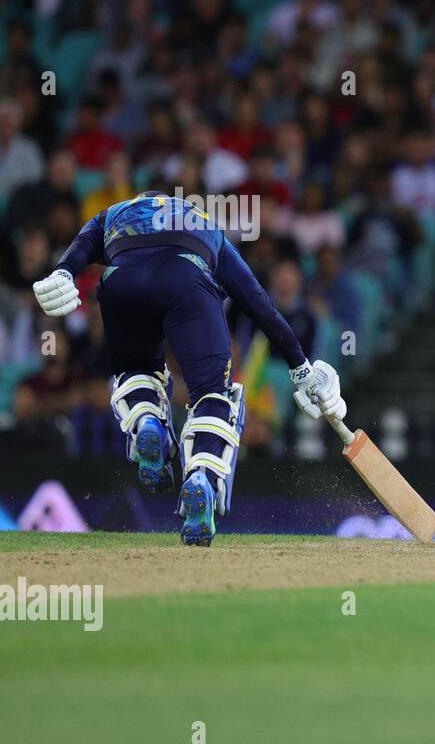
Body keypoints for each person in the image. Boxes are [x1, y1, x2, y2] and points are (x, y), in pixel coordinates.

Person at [31, 192, 345, 547]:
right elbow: (260, 306)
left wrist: (63, 270)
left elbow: (82, 245)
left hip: (121, 283)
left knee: (136, 371)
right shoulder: (208, 228)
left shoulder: (112, 215)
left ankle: (148, 422)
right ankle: (201, 478)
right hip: (186, 281)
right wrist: (300, 367)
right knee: (214, 395)